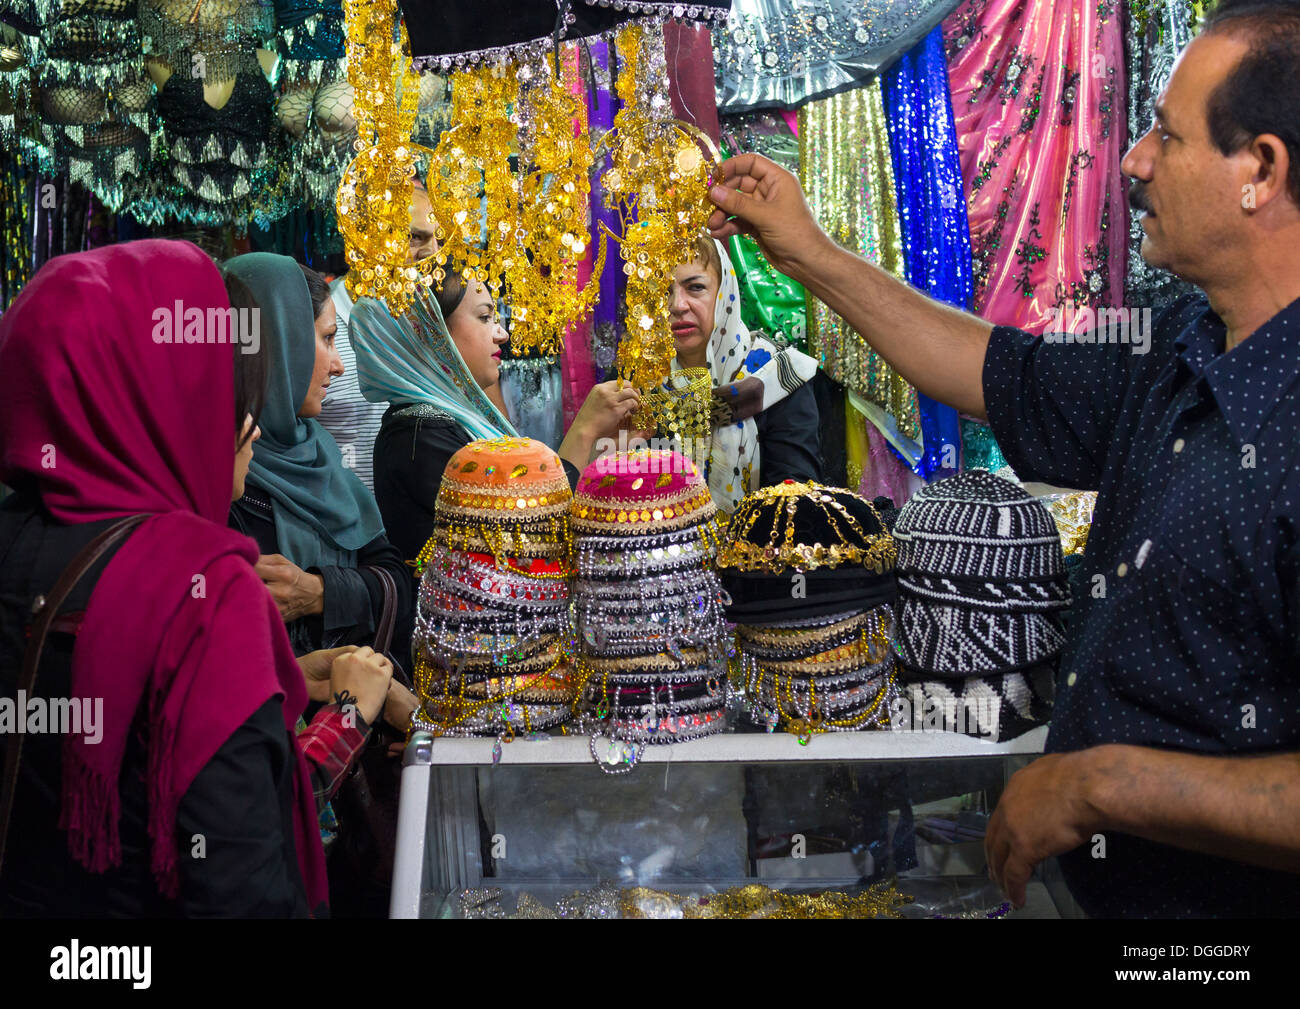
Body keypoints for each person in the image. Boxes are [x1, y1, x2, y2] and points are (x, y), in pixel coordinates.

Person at [706, 2, 1300, 917]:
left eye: (1167, 137)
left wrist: (1099, 784)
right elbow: (992, 369)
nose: (1135, 160)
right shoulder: (1183, 346)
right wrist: (811, 254)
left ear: (1260, 170)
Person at [0, 240, 392, 917]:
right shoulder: (204, 590)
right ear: (160, 392)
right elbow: (242, 878)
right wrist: (348, 718)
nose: (245, 420)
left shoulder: (15, 540)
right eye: (218, 379)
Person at [352, 269, 641, 564]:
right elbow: (529, 531)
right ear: (429, 334)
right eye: (484, 317)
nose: (501, 334)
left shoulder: (449, 421)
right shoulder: (419, 434)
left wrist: (598, 447)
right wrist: (583, 430)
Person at [225, 254, 414, 668]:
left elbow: (396, 582)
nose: (339, 365)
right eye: (327, 339)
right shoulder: (225, 477)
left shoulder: (318, 453)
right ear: (280, 343)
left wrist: (319, 592)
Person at [665, 235, 821, 512]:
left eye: (696, 288)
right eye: (663, 292)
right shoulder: (637, 382)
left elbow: (797, 504)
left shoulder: (776, 378)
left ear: (726, 293)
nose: (677, 305)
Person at [319, 177, 444, 492]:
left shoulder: (437, 321)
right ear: (368, 237)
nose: (432, 253)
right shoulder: (320, 325)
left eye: (439, 239)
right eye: (415, 237)